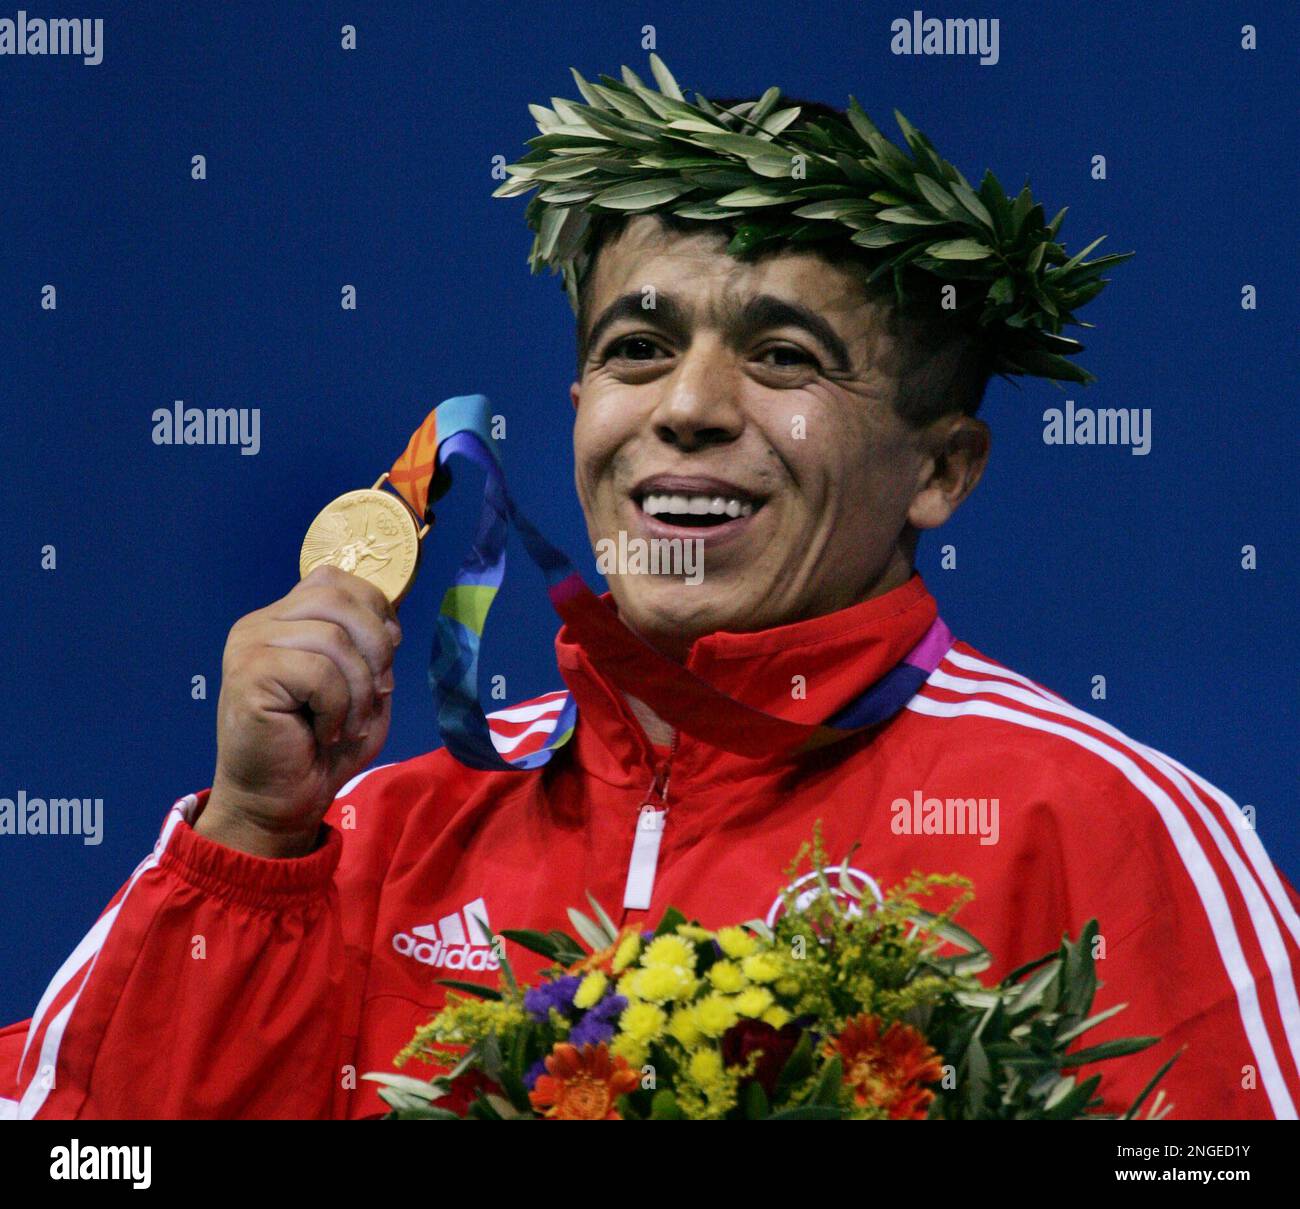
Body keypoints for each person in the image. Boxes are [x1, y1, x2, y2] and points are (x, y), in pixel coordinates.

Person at [3, 57, 1297, 1121]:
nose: (686, 408)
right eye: (639, 348)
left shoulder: (1104, 833)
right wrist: (251, 851)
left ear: (941, 469)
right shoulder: (371, 838)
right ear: (579, 411)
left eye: (784, 354)